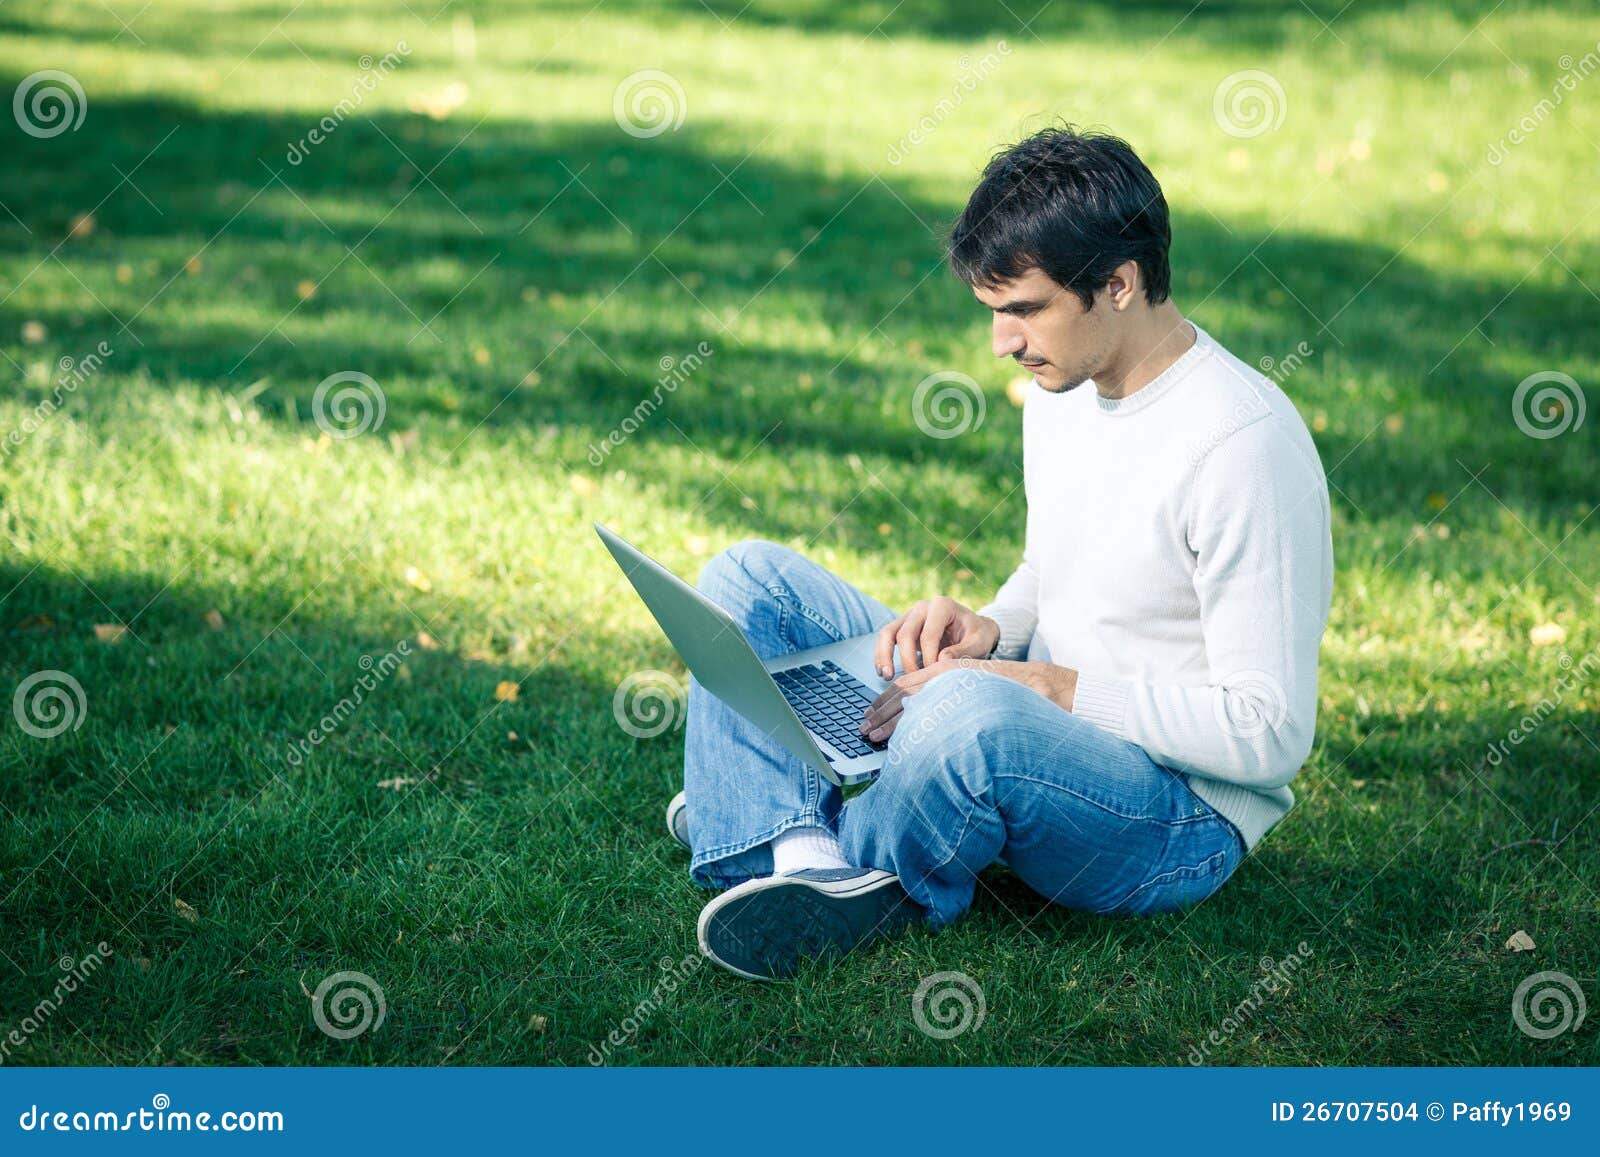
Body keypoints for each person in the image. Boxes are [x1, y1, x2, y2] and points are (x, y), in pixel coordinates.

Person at [672, 125, 1334, 981]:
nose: (1002, 342)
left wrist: (1036, 686)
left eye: (1024, 309)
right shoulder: (1060, 390)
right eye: (995, 311)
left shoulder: (1242, 446)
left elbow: (1269, 734)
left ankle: (770, 820)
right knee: (745, 579)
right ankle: (804, 857)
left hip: (1173, 815)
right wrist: (992, 629)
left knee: (968, 718)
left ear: (1119, 283)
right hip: (1030, 718)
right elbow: (1058, 568)